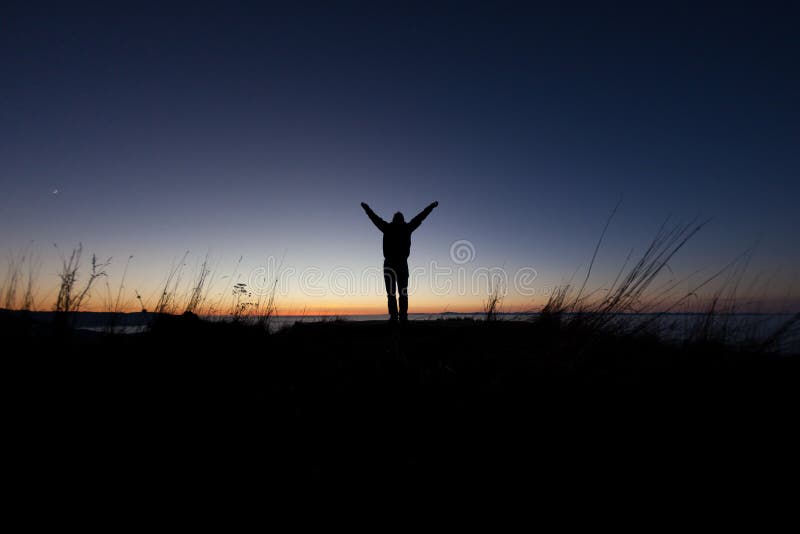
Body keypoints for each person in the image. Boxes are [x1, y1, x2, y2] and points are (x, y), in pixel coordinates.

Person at [361, 201, 438, 323]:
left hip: (395, 263)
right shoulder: (401, 228)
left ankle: (399, 317)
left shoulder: (393, 227)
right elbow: (420, 217)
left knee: (397, 293)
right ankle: (398, 316)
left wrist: (367, 208)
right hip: (395, 263)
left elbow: (420, 217)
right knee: (398, 293)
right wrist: (367, 209)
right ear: (400, 219)